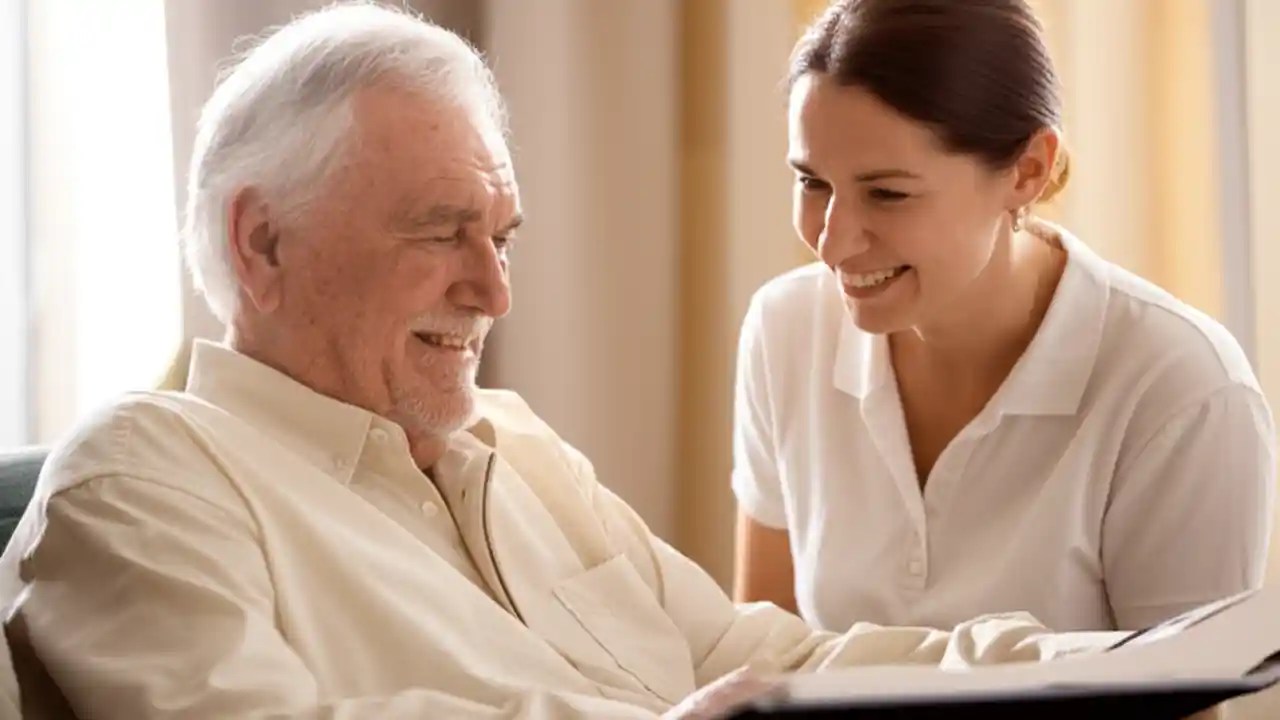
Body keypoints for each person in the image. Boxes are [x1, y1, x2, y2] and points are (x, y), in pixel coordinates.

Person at [0, 4, 1131, 719]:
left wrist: (1072, 664)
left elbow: (749, 652)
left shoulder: (515, 444)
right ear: (261, 242)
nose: (492, 293)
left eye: (500, 238)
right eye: (439, 231)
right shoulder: (145, 475)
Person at [732, 0, 1275, 636]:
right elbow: (764, 654)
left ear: (1027, 172)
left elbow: (1181, 706)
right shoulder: (786, 329)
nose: (831, 244)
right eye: (812, 183)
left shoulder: (1181, 390)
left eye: (887, 193)